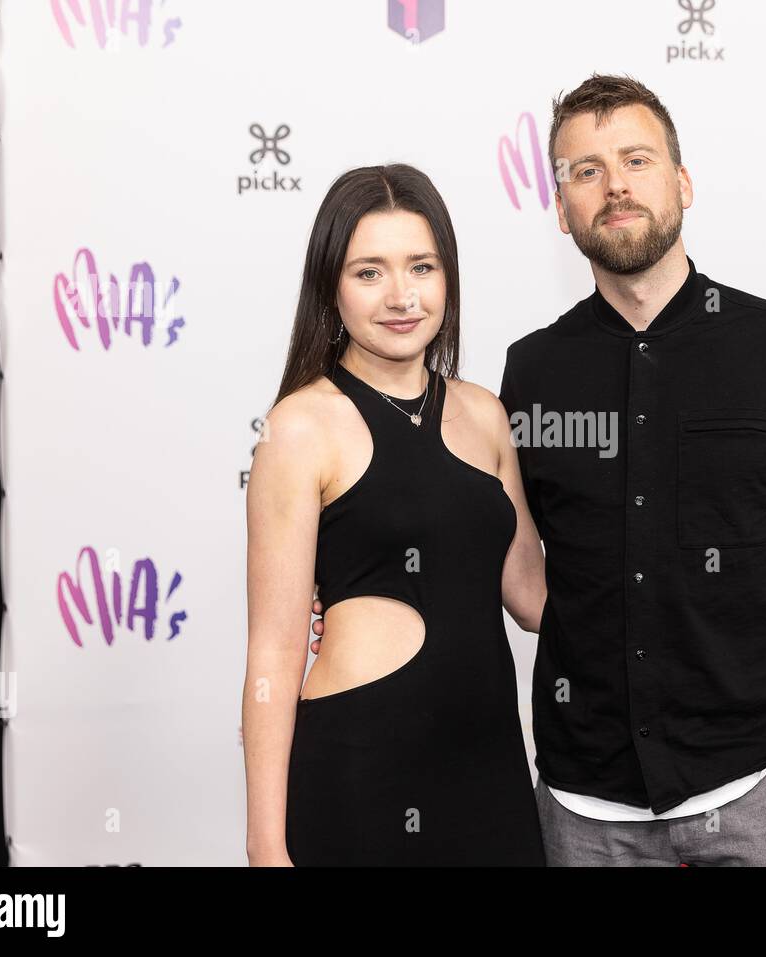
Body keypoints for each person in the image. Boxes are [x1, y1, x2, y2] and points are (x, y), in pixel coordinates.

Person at [309, 74, 766, 867]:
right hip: (584, 810)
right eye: (585, 170)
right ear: (561, 208)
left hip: (760, 782)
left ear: (682, 182)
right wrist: (350, 590)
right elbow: (498, 558)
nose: (614, 185)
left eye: (636, 160)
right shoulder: (534, 372)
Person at [243, 163, 547, 866]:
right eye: (369, 272)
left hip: (491, 772)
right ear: (332, 286)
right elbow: (273, 652)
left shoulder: (485, 415)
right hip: (360, 771)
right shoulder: (300, 427)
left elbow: (534, 598)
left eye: (421, 266)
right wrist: (265, 845)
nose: (402, 296)